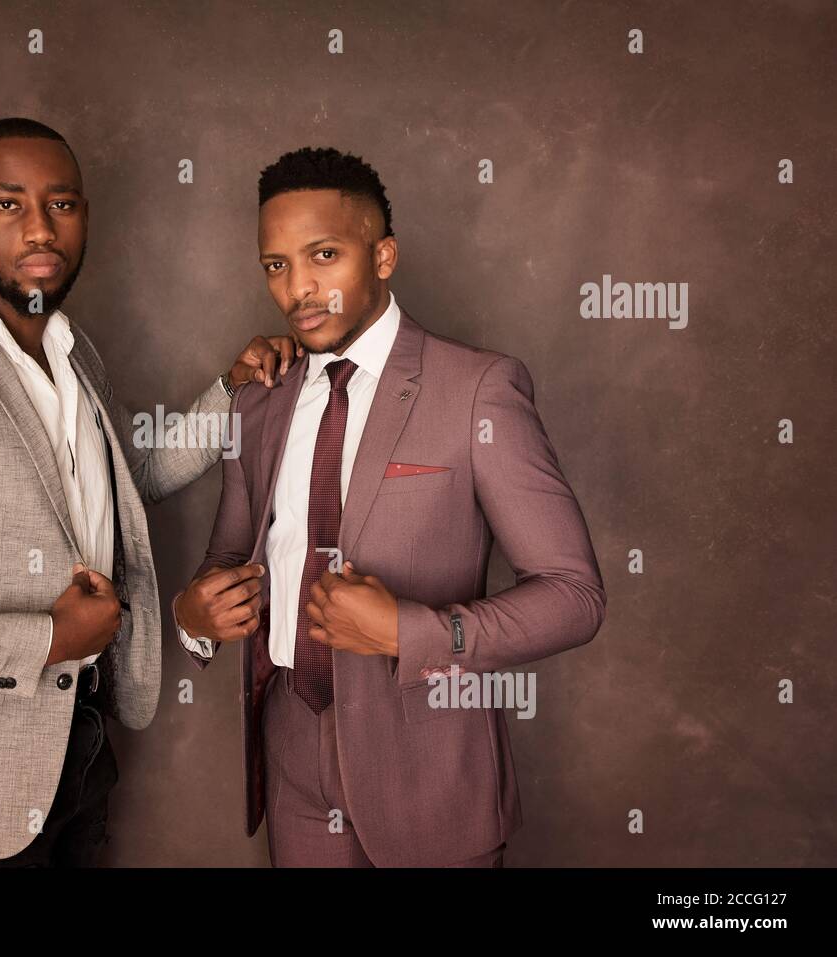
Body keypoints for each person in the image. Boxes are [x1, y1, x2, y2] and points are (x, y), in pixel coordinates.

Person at [0, 117, 295, 866]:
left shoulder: (72, 347)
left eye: (62, 205)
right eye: (9, 205)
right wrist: (46, 639)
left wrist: (231, 389)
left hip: (82, 750)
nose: (41, 229)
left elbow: (131, 478)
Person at [174, 146, 607, 867]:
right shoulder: (260, 397)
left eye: (324, 255)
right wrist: (194, 619)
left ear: (383, 258)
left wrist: (410, 630)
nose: (299, 289)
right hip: (291, 753)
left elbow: (576, 596)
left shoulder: (477, 390)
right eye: (276, 264)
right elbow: (229, 558)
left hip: (430, 768)